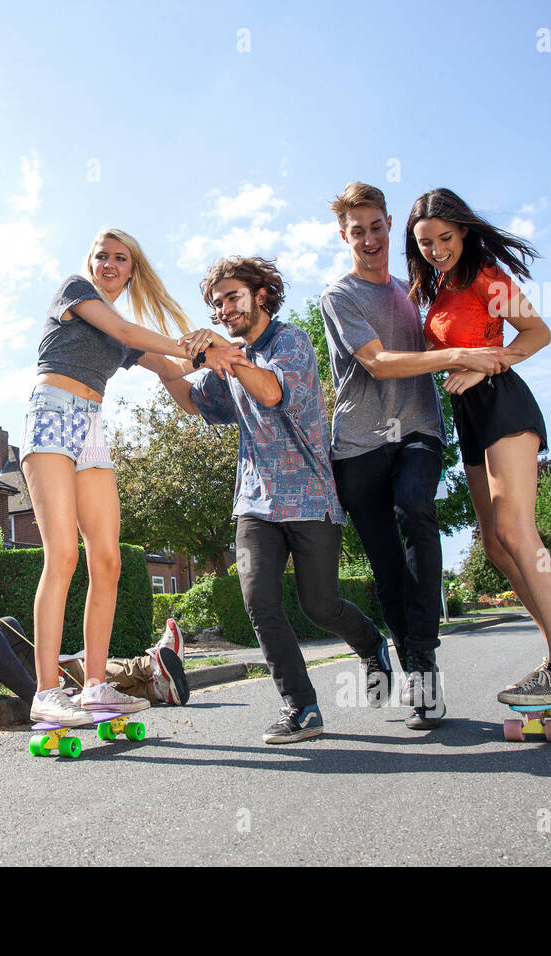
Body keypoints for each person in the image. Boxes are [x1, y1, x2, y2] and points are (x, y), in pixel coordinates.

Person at [162, 256, 388, 744]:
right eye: (217, 303)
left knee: (320, 606)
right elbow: (197, 403)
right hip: (255, 502)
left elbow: (269, 392)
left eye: (232, 297)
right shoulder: (230, 360)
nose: (224, 308)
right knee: (259, 601)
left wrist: (224, 352)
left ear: (261, 294)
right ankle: (302, 708)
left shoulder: (290, 342)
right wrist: (158, 362)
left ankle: (371, 644)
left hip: (309, 497)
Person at [22, 227, 243, 726]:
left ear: (132, 269)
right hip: (53, 412)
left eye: (120, 258)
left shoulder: (124, 332)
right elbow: (127, 336)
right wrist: (197, 348)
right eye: (102, 256)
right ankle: (46, 691)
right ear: (92, 262)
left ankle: (96, 686)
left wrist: (227, 378)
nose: (109, 264)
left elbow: (172, 378)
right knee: (61, 556)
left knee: (108, 558)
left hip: (92, 427)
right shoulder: (75, 292)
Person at [320, 182, 521, 729]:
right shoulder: (338, 297)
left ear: (390, 226)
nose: (367, 238)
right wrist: (460, 355)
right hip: (358, 443)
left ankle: (424, 667)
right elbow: (380, 363)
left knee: (416, 509)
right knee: (385, 567)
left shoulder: (416, 291)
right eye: (356, 231)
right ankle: (409, 667)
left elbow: (472, 304)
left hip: (418, 432)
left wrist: (489, 352)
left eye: (376, 227)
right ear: (344, 236)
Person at [405, 187, 551, 706]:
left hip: (503, 403)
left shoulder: (486, 276)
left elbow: (538, 332)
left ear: (463, 231)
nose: (437, 249)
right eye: (425, 243)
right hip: (469, 418)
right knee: (493, 544)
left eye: (445, 238)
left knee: (516, 529)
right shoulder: (436, 287)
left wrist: (494, 359)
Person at [0, 580, 190, 705]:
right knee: (80, 671)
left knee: (80, 668)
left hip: (27, 666)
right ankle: (150, 663)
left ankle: (155, 690)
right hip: (25, 676)